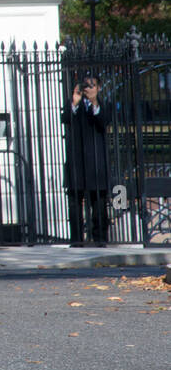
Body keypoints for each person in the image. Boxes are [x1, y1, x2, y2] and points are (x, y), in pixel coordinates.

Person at [64, 74, 111, 245]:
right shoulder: (74, 105)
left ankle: (100, 238)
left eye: (92, 86)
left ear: (98, 88)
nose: (88, 89)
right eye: (86, 86)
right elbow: (65, 119)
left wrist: (94, 103)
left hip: (96, 162)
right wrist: (75, 103)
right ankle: (76, 239)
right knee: (75, 203)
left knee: (98, 203)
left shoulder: (103, 104)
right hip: (76, 161)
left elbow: (103, 122)